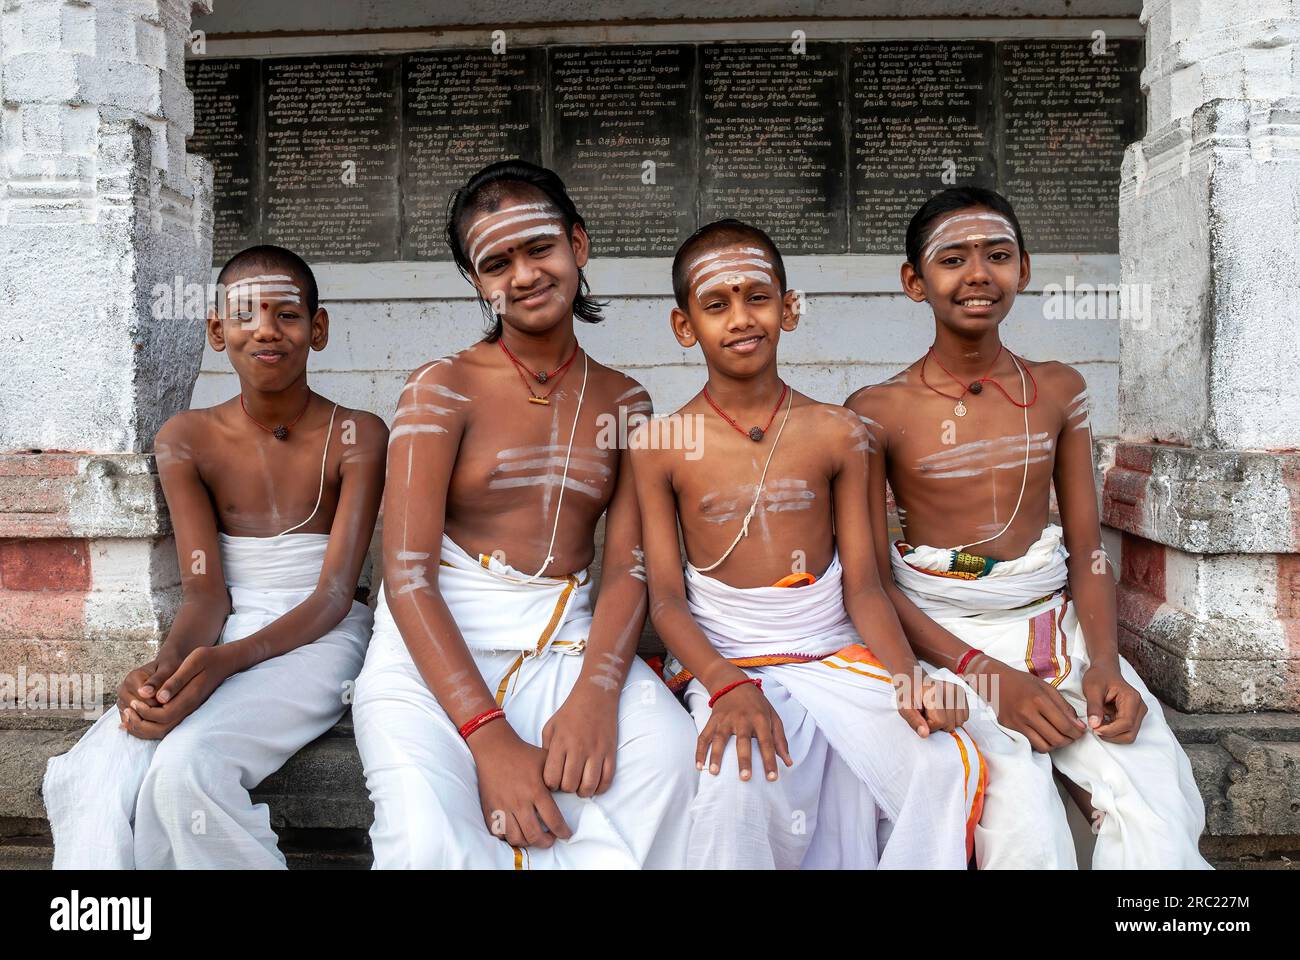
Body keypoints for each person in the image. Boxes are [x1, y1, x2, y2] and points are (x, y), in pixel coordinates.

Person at [846, 187, 1210, 869]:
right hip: (945, 643)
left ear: (1026, 268)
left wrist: (1105, 662)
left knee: (1154, 804)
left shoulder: (1059, 390)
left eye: (998, 255)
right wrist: (989, 677)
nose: (979, 274)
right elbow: (871, 583)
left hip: (1057, 631)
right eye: (952, 259)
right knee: (1021, 829)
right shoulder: (875, 409)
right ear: (913, 281)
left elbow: (1086, 550)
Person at [350, 159, 696, 869]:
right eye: (497, 262)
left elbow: (629, 566)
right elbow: (407, 576)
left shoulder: (624, 403)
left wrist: (599, 696)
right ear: (479, 283)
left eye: (539, 248)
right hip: (433, 653)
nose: (525, 274)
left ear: (578, 245)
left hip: (566, 647)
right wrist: (489, 737)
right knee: (425, 840)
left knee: (667, 759)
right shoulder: (440, 388)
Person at [632, 218, 985, 869]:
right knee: (733, 780)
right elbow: (665, 604)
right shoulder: (659, 446)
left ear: (788, 309)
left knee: (937, 762)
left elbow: (866, 585)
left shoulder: (840, 433)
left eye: (758, 297)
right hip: (727, 665)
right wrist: (726, 686)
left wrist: (908, 678)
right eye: (716, 304)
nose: (741, 318)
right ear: (685, 327)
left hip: (837, 656)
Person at [43, 245, 386, 868]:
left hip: (323, 635)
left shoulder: (358, 433)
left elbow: (337, 595)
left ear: (319, 328)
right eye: (245, 314)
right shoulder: (185, 437)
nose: (265, 330)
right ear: (216, 330)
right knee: (101, 770)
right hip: (223, 628)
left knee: (186, 768)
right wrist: (166, 670)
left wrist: (224, 664)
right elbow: (205, 593)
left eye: (286, 314)